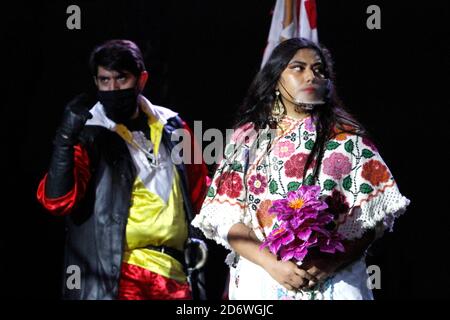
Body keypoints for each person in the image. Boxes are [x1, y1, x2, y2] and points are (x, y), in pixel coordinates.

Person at [192, 38, 410, 300]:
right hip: (263, 280)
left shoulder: (349, 140)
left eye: (319, 71)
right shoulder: (247, 139)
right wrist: (272, 264)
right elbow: (225, 218)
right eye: (298, 67)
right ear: (275, 79)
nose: (311, 76)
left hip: (335, 280)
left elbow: (374, 219)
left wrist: (330, 262)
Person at [37, 39, 209, 300]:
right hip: (117, 276)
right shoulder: (89, 134)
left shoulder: (173, 126)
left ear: (142, 79)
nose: (113, 88)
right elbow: (57, 202)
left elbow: (202, 196)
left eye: (121, 79)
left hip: (174, 276)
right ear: (96, 82)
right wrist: (64, 139)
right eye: (105, 81)